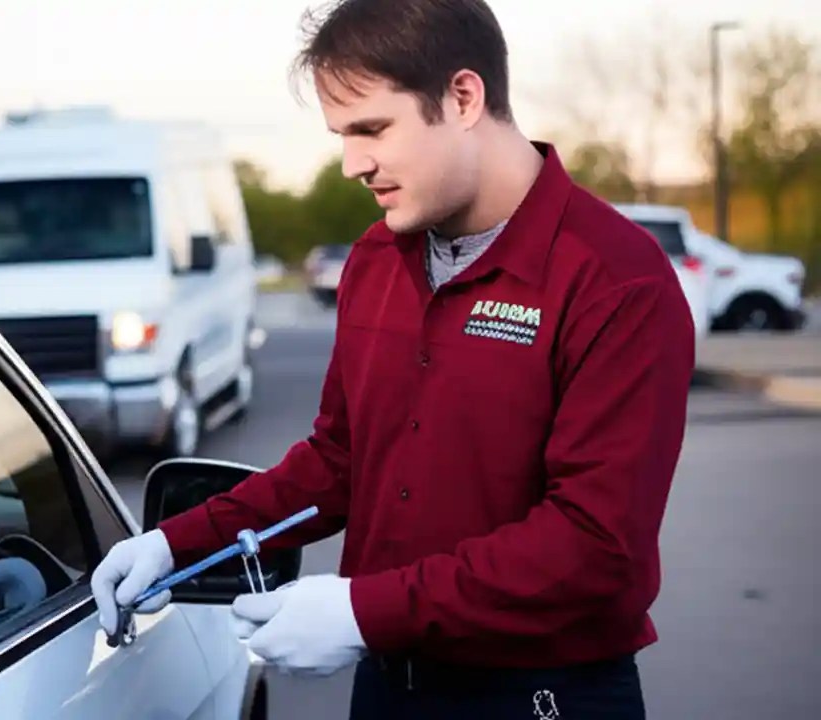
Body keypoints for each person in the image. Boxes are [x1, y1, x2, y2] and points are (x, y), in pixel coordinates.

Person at [90, 0, 695, 717]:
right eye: (342, 135)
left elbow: (596, 547)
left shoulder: (616, 279)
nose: (353, 164)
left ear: (463, 97)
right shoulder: (376, 261)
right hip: (387, 689)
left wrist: (360, 613)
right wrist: (174, 543)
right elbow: (340, 461)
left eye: (372, 128)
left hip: (544, 695)